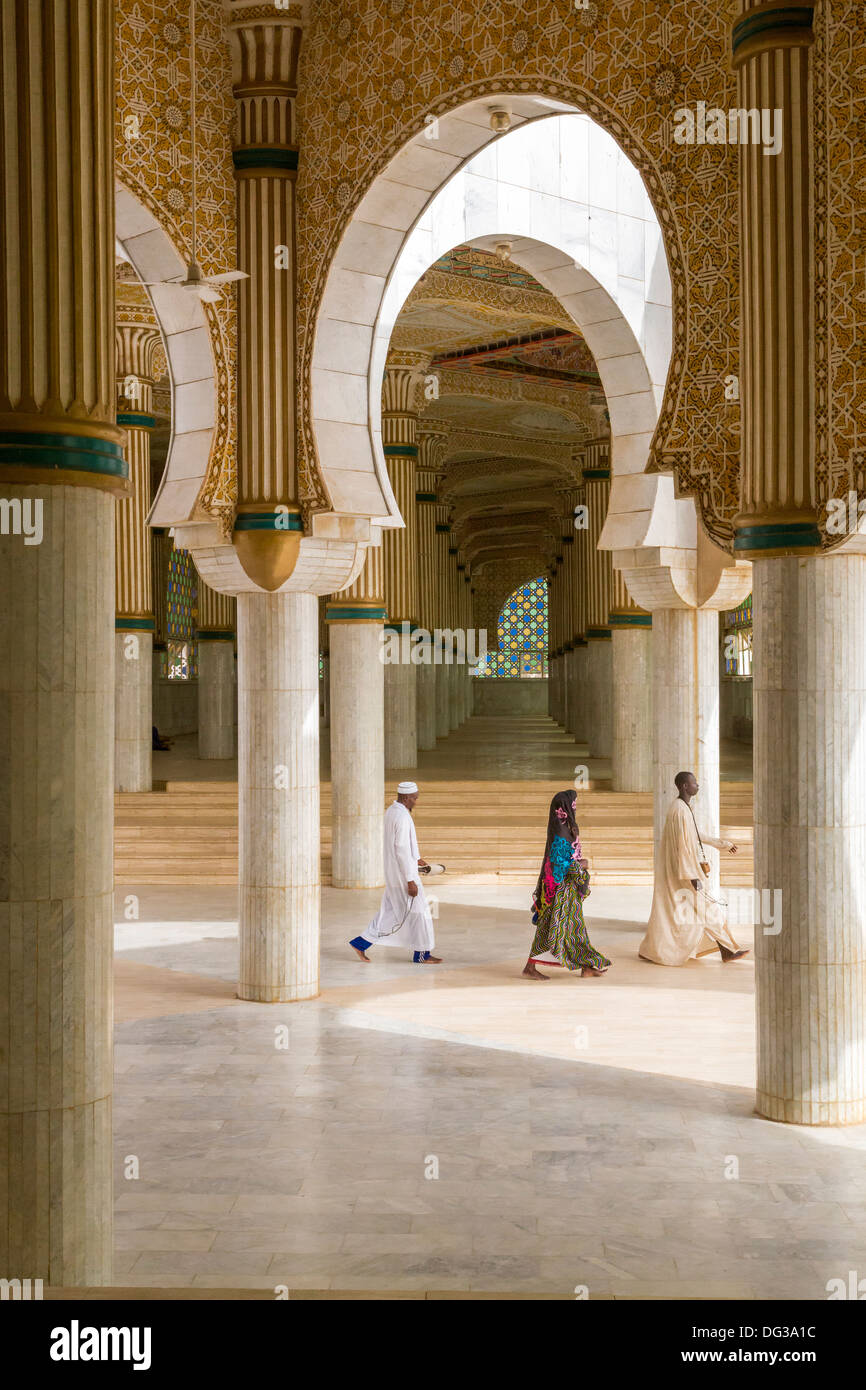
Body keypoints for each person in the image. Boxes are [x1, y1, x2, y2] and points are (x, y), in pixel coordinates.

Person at [639, 770, 749, 966]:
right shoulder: (679, 810)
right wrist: (691, 875)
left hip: (686, 871)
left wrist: (724, 844)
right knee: (707, 910)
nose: (697, 785)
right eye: (694, 782)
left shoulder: (682, 808)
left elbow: (696, 835)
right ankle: (728, 950)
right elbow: (681, 846)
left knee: (698, 912)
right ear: (684, 786)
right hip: (686, 873)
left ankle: (727, 949)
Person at [348, 781, 442, 965]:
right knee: (420, 912)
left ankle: (360, 943)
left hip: (395, 874)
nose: (417, 802)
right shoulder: (400, 817)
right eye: (415, 799)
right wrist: (410, 880)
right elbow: (400, 849)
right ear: (406, 798)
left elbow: (403, 845)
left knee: (391, 912)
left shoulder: (393, 811)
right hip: (403, 876)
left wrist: (416, 859)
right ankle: (422, 954)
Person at [523, 789, 610, 979]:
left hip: (568, 889)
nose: (575, 807)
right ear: (564, 808)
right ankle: (530, 967)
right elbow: (558, 862)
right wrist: (581, 865)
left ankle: (587, 966)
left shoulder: (567, 826)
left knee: (576, 928)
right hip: (559, 889)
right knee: (549, 928)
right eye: (572, 804)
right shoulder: (561, 830)